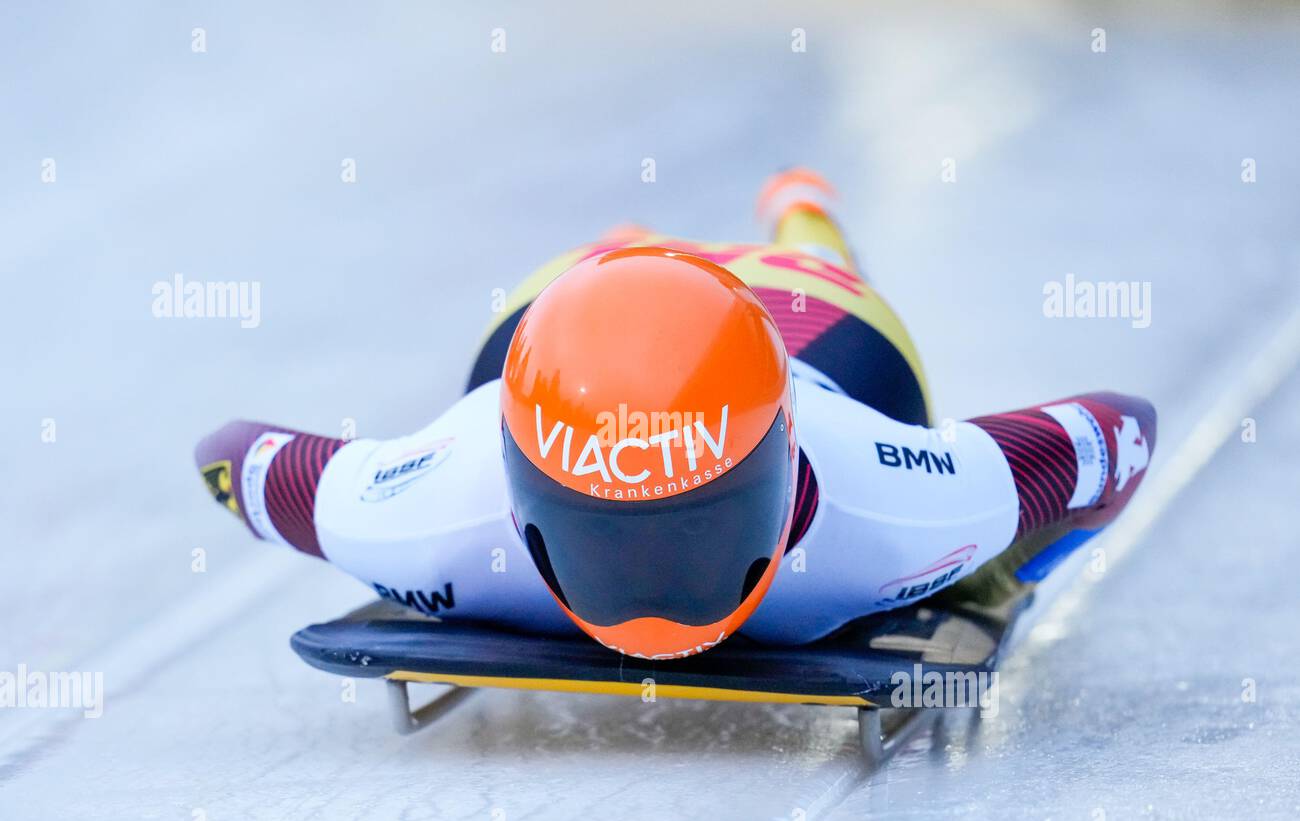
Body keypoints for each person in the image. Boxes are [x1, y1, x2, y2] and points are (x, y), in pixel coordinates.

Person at [195, 169, 1156, 660]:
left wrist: (987, 554)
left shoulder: (414, 519)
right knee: (621, 279)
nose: (651, 591)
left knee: (777, 265)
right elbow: (1120, 434)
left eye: (693, 526)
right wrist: (993, 576)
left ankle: (790, 218)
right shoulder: (909, 524)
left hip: (812, 328)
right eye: (604, 530)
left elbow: (231, 460)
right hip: (802, 329)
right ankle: (763, 222)